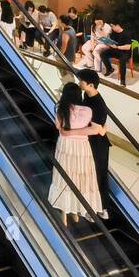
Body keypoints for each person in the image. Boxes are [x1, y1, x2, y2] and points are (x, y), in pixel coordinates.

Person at [48, 81, 102, 226]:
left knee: (64, 175)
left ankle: (64, 213)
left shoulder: (61, 108)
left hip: (65, 145)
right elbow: (94, 129)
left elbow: (58, 126)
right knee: (81, 176)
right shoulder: (88, 110)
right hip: (82, 147)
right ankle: (76, 212)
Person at [77, 69, 112, 217]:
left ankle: (102, 209)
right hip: (92, 141)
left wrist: (73, 132)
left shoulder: (98, 104)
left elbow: (96, 129)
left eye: (81, 81)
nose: (79, 83)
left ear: (90, 85)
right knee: (90, 175)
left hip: (98, 144)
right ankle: (95, 208)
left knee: (98, 175)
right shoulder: (87, 95)